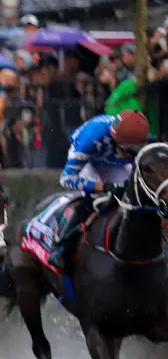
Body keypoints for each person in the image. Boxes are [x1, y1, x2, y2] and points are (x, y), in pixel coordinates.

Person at [49, 110, 150, 269]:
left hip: (112, 160)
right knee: (95, 197)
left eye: (135, 151)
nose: (131, 156)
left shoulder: (138, 136)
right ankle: (61, 246)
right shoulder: (90, 138)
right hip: (90, 159)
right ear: (117, 141)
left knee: (136, 192)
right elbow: (66, 179)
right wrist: (103, 186)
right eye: (128, 151)